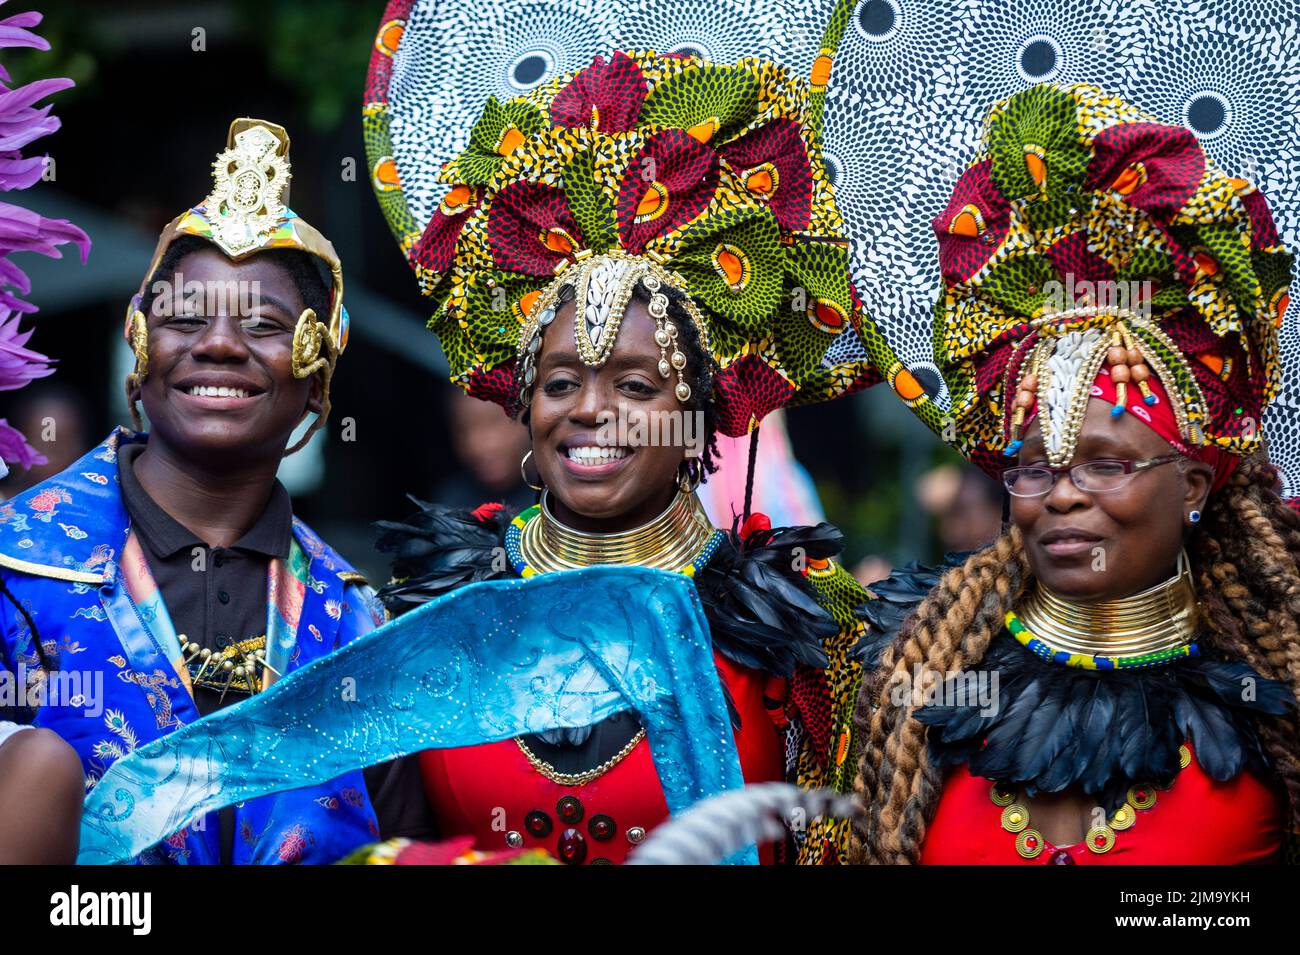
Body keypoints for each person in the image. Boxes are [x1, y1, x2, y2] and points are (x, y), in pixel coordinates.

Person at [356, 7, 926, 863]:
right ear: (524, 401)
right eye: (558, 382)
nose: (588, 410)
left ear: (696, 410)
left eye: (634, 383)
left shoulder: (808, 634)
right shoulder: (430, 614)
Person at [851, 83, 1299, 864]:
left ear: (1193, 486)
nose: (1060, 492)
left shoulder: (1277, 694)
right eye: (1032, 467)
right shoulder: (921, 679)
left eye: (1105, 462)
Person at [0, 118, 387, 864]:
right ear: (141, 352)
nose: (217, 342)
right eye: (183, 317)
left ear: (316, 378)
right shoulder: (15, 569)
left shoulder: (357, 626)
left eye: (264, 323)